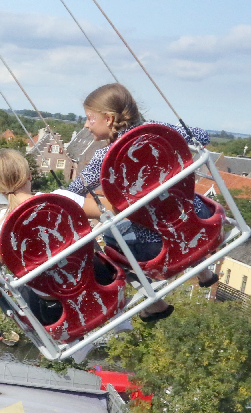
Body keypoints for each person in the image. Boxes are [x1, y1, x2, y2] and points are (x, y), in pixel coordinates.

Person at [66, 83, 216, 322]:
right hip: (198, 220)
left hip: (158, 245)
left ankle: (154, 303)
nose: (86, 125)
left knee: (113, 241)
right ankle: (204, 272)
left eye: (89, 119)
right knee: (173, 202)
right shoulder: (159, 131)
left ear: (108, 118)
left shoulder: (105, 157)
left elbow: (73, 193)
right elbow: (202, 136)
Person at [0, 150, 76, 329]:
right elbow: (108, 210)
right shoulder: (59, 200)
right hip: (96, 280)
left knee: (20, 291)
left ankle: (74, 345)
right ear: (30, 176)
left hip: (56, 310)